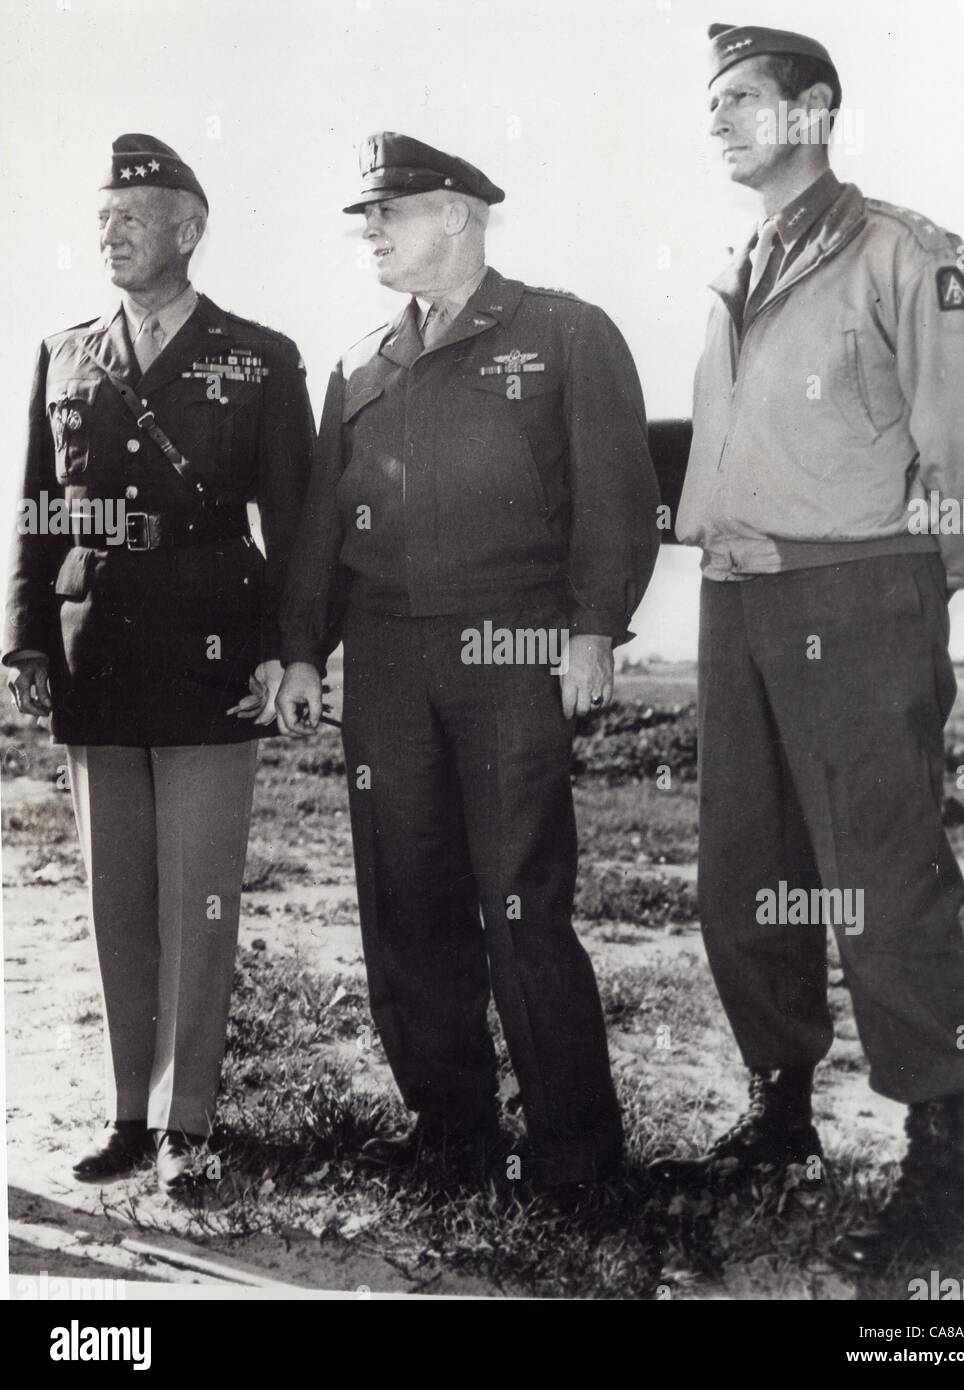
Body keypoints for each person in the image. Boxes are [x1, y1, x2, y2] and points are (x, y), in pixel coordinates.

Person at [652, 26, 964, 1273]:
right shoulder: (734, 269)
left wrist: (915, 585)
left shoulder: (900, 253)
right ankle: (780, 1116)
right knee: (739, 874)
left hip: (856, 592)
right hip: (737, 592)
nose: (717, 120)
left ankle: (937, 1160)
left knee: (876, 876)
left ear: (812, 110)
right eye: (709, 103)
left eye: (740, 98)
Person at [276, 132, 660, 1199]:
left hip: (511, 650)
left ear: (452, 214)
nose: (368, 235)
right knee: (405, 901)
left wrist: (593, 627)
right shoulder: (359, 362)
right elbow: (320, 527)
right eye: (362, 219)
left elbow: (615, 498)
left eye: (383, 216)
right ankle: (449, 1135)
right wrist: (304, 649)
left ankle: (574, 1155)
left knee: (521, 902)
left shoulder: (566, 332)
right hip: (389, 661)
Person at [3, 134, 315, 1195]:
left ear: (189, 228)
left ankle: (191, 1120)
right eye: (101, 218)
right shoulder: (62, 353)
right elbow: (38, 512)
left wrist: (287, 649)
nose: (110, 232)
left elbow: (297, 520)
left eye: (132, 215)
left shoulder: (260, 357)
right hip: (97, 658)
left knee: (198, 894)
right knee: (116, 895)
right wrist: (26, 637)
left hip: (210, 651)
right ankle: (127, 1111)